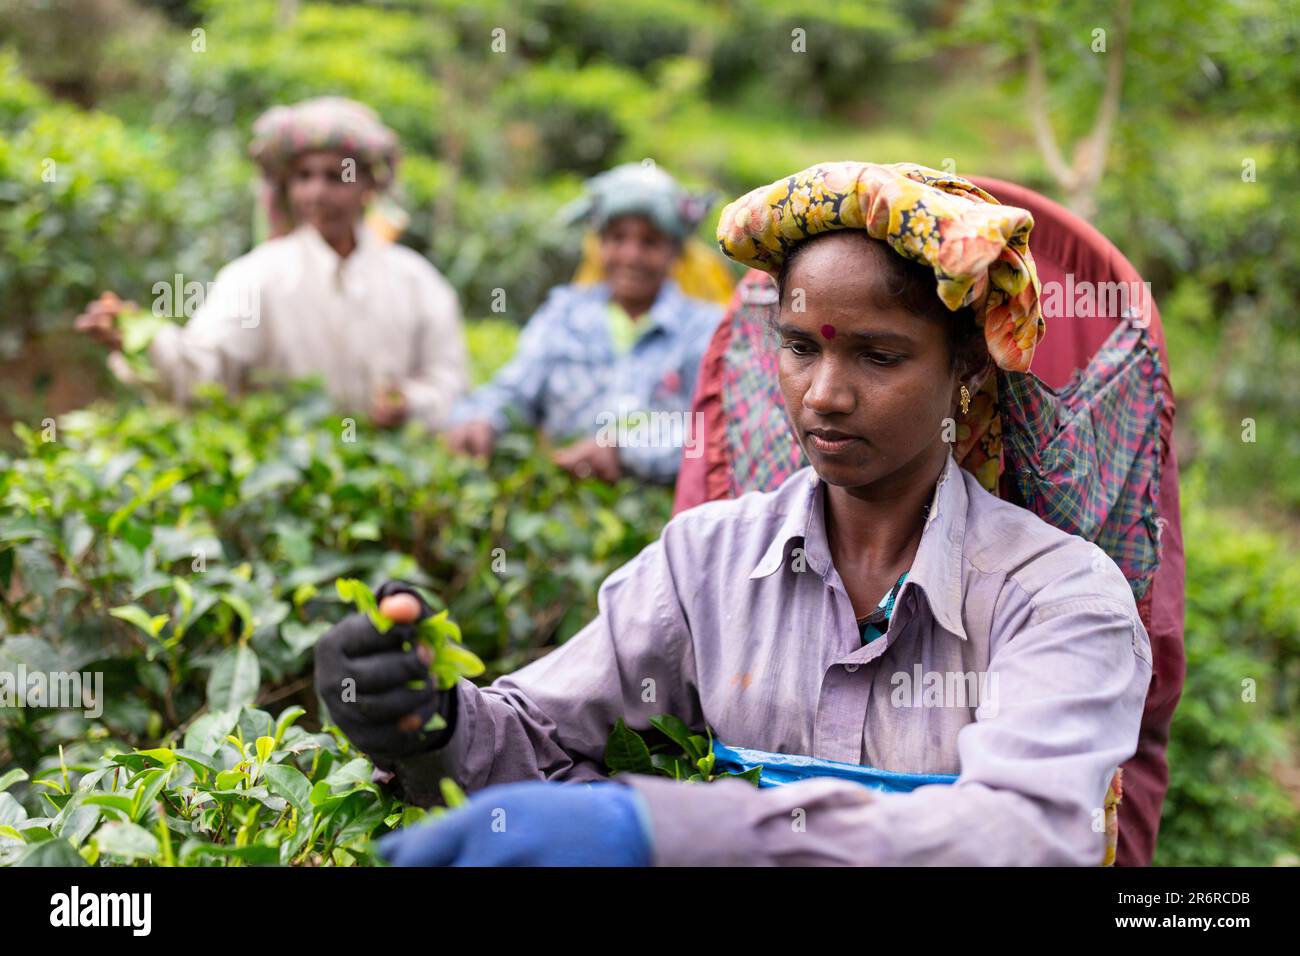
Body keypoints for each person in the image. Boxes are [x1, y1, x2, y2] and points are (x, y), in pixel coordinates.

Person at [315, 162, 1152, 866]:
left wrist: (679, 830)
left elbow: (1025, 836)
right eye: (800, 346)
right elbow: (536, 736)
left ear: (966, 366)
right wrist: (424, 720)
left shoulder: (1057, 596)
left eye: (880, 355)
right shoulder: (706, 563)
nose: (825, 394)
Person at [75, 96, 468, 431]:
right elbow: (205, 371)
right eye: (303, 176)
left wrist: (410, 404)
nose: (317, 192)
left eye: (336, 176)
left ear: (369, 185)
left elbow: (450, 382)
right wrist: (141, 339)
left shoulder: (416, 281)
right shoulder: (256, 277)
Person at [442, 162, 724, 483]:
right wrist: (481, 419)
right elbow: (515, 389)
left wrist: (623, 451)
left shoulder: (704, 329)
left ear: (674, 253)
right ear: (599, 245)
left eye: (650, 242)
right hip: (562, 501)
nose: (631, 255)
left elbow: (713, 432)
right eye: (617, 238)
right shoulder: (563, 314)